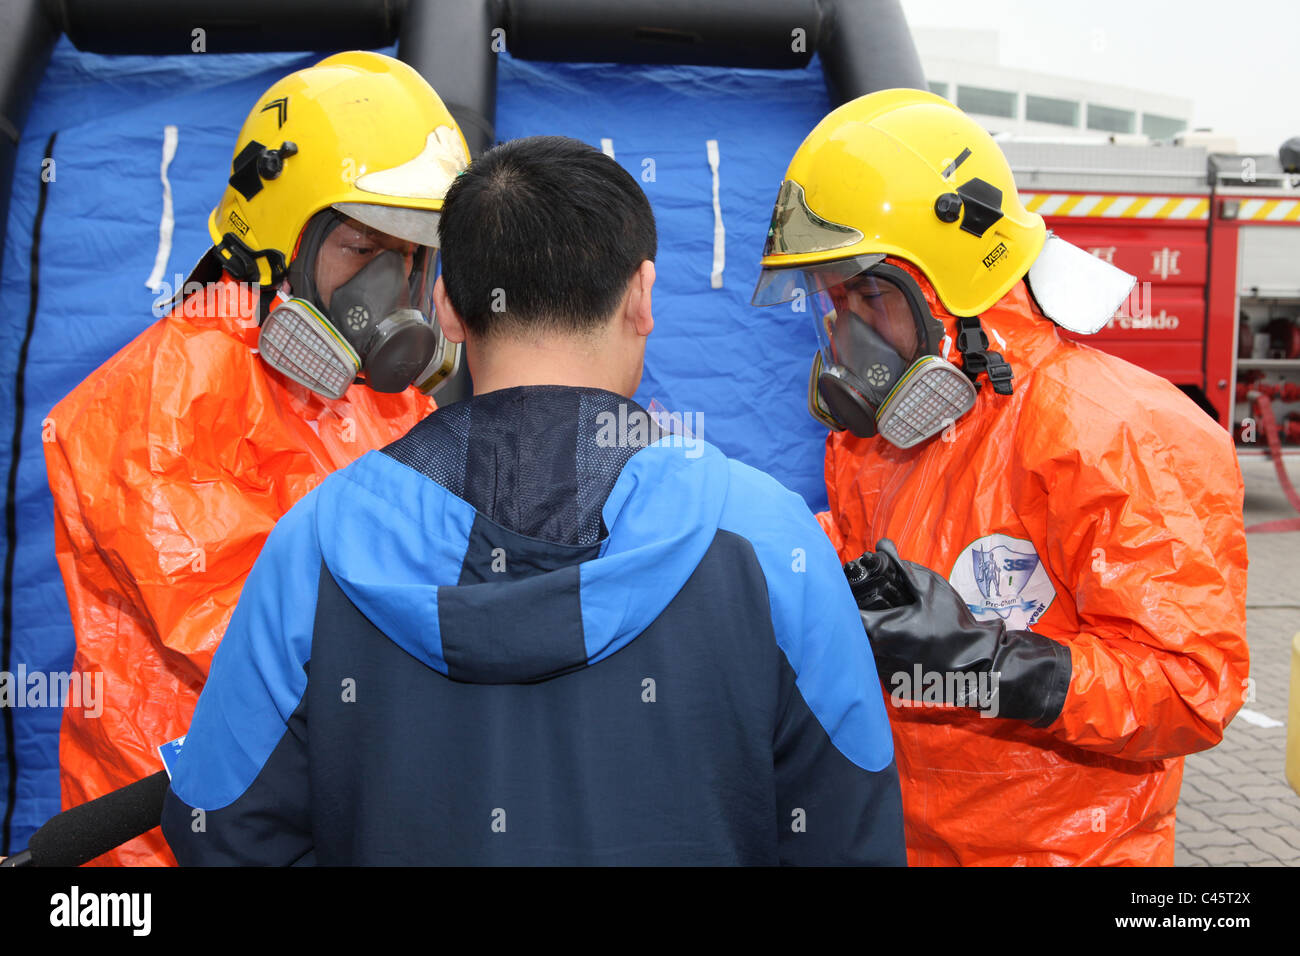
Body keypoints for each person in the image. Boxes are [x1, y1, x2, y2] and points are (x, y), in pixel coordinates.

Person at [160, 135, 907, 866]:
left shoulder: (317, 543)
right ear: (643, 298)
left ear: (449, 309)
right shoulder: (769, 540)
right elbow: (851, 833)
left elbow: (222, 828)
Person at [751, 89, 1249, 866]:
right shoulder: (876, 439)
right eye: (832, 300)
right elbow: (858, 561)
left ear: (951, 279)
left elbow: (1190, 688)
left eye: (870, 295)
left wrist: (992, 664)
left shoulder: (1114, 432)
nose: (848, 335)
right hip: (904, 841)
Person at [44, 51, 470, 866]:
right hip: (167, 842)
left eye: (413, 256)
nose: (390, 288)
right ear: (278, 241)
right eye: (361, 248)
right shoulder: (158, 406)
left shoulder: (384, 400)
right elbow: (271, 647)